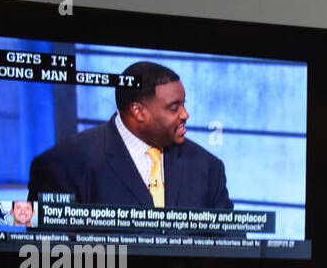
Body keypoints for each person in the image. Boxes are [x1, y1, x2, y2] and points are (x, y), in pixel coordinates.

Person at [27, 60, 230, 210]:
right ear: (138, 111)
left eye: (183, 105)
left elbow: (230, 250)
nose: (185, 115)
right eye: (174, 107)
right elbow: (51, 254)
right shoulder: (62, 165)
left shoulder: (208, 167)